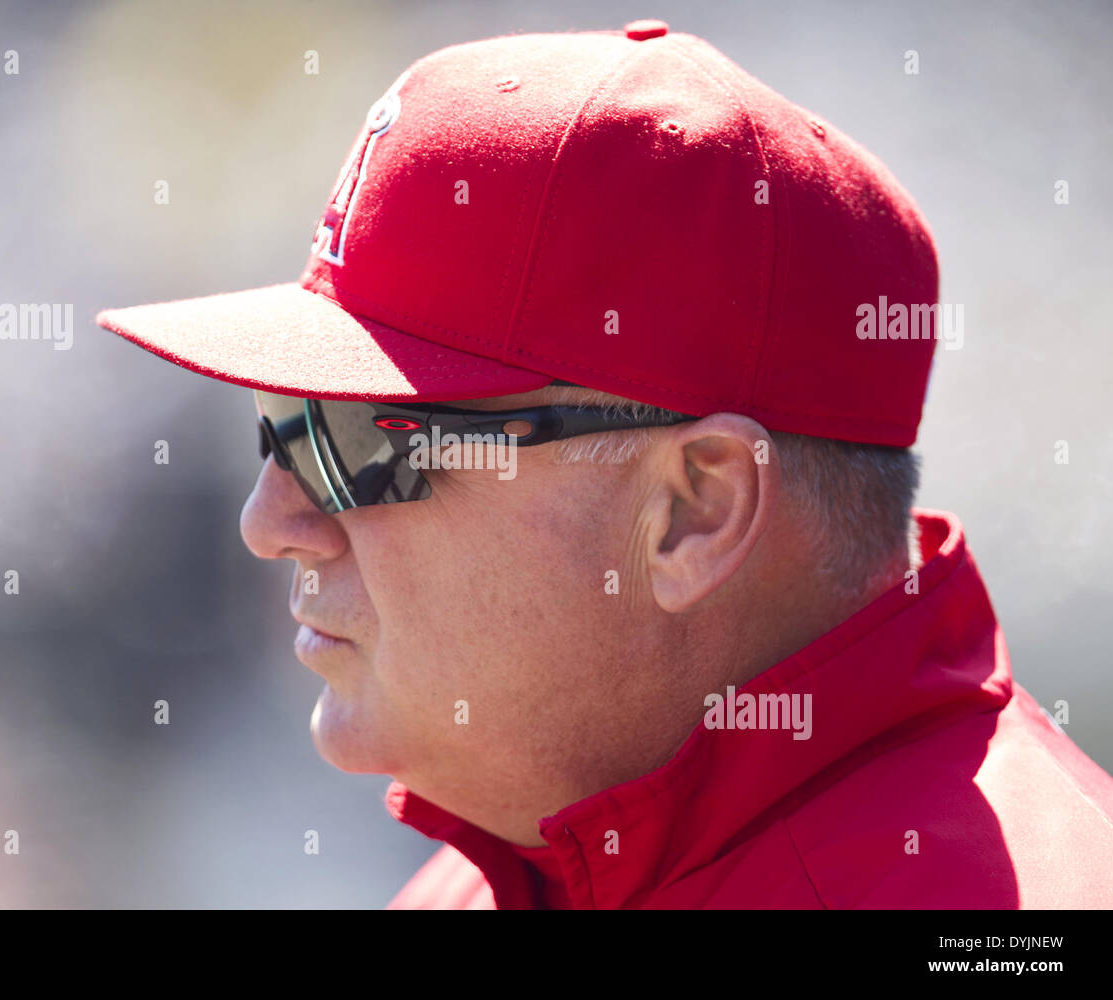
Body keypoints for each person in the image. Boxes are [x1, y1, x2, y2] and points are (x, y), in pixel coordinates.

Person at [96, 20, 1113, 908]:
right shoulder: (497, 870)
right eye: (282, 417)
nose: (269, 519)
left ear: (694, 510)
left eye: (363, 441)